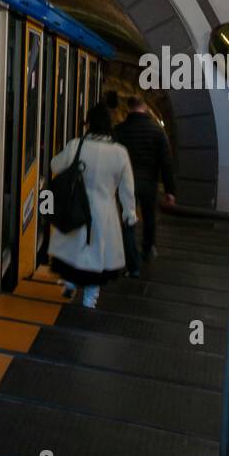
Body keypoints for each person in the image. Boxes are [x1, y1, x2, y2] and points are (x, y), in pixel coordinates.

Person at [48, 102, 137, 309]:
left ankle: (70, 282)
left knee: (73, 251)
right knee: (97, 258)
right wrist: (129, 213)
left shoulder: (76, 145)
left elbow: (55, 165)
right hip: (104, 212)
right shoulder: (120, 153)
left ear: (88, 123)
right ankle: (90, 300)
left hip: (76, 207)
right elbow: (127, 188)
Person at [114, 94, 176, 274]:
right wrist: (170, 190)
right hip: (149, 182)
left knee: (128, 219)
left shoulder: (120, 130)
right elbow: (166, 162)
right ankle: (148, 249)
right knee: (149, 218)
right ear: (146, 107)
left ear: (128, 108)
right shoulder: (157, 131)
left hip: (126, 183)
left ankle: (129, 256)